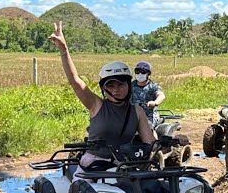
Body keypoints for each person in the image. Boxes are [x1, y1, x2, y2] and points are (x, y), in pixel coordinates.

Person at [48, 21, 156, 177]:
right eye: (110, 86)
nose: (116, 90)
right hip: (93, 167)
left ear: (129, 85)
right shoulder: (96, 105)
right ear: (104, 88)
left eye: (121, 84)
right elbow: (75, 80)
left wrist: (169, 143)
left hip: (123, 167)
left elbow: (150, 143)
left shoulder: (137, 111)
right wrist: (64, 49)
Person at [130, 61, 166, 127]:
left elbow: (161, 95)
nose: (140, 74)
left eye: (143, 72)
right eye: (137, 71)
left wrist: (155, 102)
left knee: (148, 127)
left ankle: (153, 137)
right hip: (132, 115)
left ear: (148, 74)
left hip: (149, 116)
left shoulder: (153, 86)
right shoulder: (131, 85)